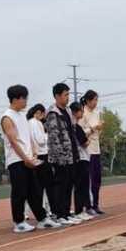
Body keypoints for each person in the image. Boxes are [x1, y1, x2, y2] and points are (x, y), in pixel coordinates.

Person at [1, 85, 59, 233]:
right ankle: (19, 222)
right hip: (16, 160)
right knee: (19, 192)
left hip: (29, 159)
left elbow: (28, 138)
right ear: (16, 99)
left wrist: (33, 154)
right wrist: (25, 158)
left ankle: (42, 219)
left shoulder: (23, 115)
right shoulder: (7, 117)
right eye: (24, 98)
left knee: (35, 191)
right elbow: (13, 142)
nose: (26, 101)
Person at [45, 83, 82, 226]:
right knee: (60, 186)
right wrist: (60, 157)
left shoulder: (66, 111)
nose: (68, 97)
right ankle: (59, 214)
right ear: (57, 96)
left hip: (71, 154)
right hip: (60, 158)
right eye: (65, 95)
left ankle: (66, 213)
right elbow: (54, 137)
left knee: (68, 185)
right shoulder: (52, 113)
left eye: (68, 94)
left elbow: (72, 133)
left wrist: (75, 154)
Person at [27, 103, 57, 218]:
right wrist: (47, 135)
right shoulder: (37, 123)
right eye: (44, 114)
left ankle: (41, 213)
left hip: (34, 157)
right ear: (39, 112)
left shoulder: (29, 123)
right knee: (49, 185)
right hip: (42, 155)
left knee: (38, 187)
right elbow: (40, 140)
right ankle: (54, 210)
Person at [79, 90, 104, 216]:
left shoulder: (97, 113)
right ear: (88, 100)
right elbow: (81, 133)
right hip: (86, 150)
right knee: (88, 179)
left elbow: (98, 133)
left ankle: (96, 204)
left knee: (97, 179)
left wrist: (99, 128)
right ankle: (87, 205)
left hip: (96, 148)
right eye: (94, 100)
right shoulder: (82, 113)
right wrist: (93, 128)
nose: (95, 103)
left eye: (97, 100)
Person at [70, 102, 95, 221]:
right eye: (81, 111)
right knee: (80, 185)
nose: (82, 113)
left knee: (83, 185)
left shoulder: (75, 126)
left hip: (81, 158)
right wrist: (90, 137)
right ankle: (79, 210)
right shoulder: (75, 126)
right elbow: (84, 143)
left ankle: (82, 209)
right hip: (81, 159)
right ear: (76, 112)